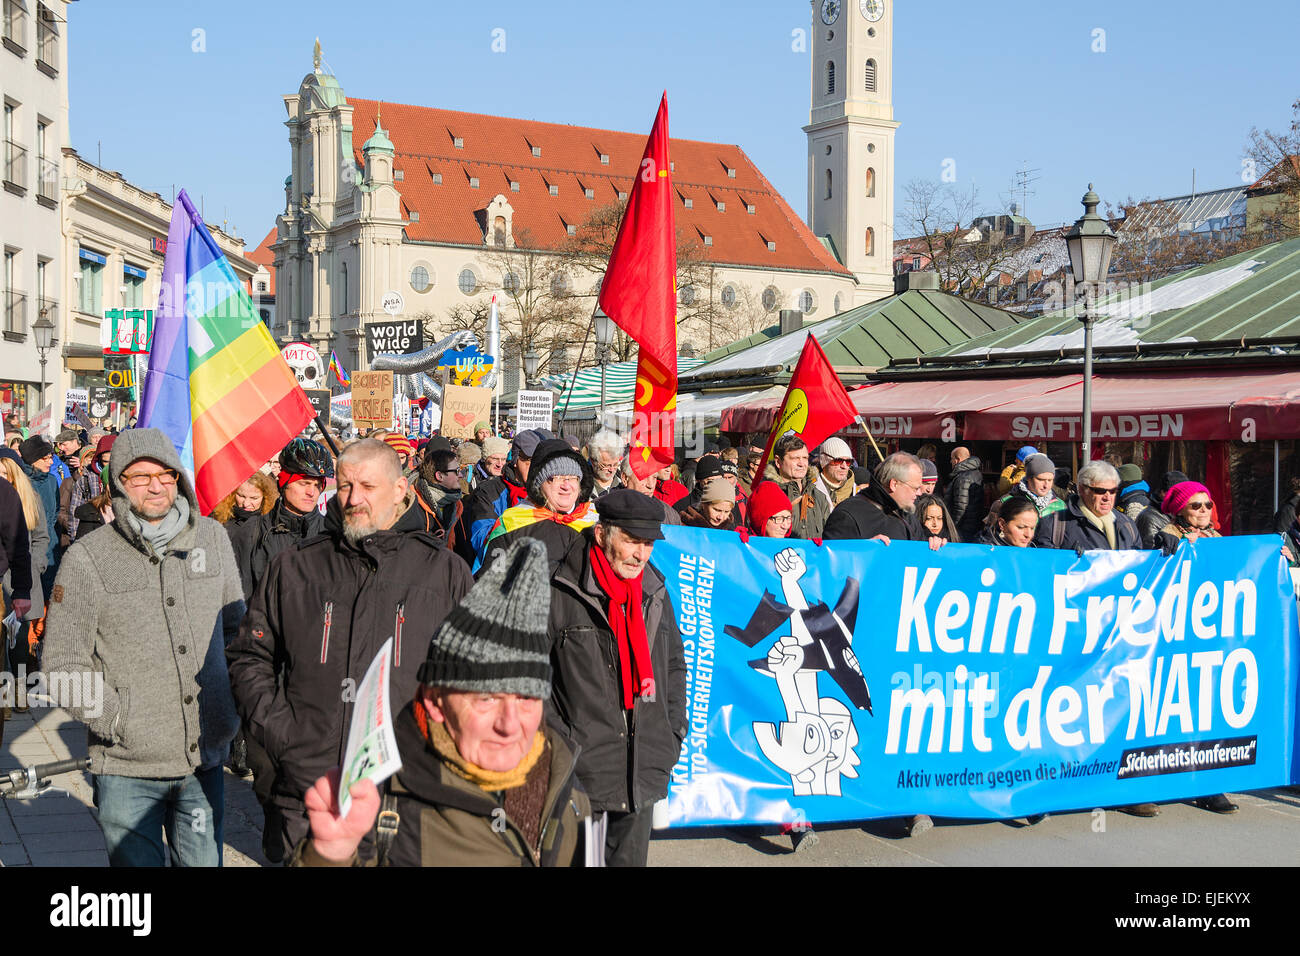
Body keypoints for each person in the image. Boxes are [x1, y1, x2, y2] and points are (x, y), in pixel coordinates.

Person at [228, 438, 473, 864]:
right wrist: (285, 737)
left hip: (409, 792)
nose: (353, 499)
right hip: (312, 787)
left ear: (401, 491)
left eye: (368, 487)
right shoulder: (297, 566)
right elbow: (250, 656)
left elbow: (473, 673)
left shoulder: (444, 571)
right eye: (343, 487)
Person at [294, 537, 595, 867]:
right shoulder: (377, 797)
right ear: (435, 701)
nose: (509, 724)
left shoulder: (567, 785)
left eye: (525, 698)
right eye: (486, 698)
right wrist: (330, 856)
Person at [42, 428, 242, 866]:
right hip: (126, 765)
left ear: (180, 479)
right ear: (118, 485)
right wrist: (116, 717)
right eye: (140, 476)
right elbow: (61, 663)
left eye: (166, 475)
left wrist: (229, 708)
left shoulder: (211, 539)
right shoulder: (89, 558)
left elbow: (236, 635)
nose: (156, 486)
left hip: (202, 760)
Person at [545, 489, 686, 865]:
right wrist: (564, 745)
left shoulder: (654, 591)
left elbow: (673, 666)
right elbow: (534, 681)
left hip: (643, 767)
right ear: (602, 534)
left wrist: (671, 734)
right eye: (631, 542)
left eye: (648, 544)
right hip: (581, 774)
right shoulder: (559, 589)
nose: (641, 554)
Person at [230, 438, 332, 601]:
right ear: (284, 483)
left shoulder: (332, 534)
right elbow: (238, 601)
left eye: (318, 485)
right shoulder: (252, 532)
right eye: (304, 483)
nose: (311, 492)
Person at [481, 438, 598, 571]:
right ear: (539, 485)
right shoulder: (512, 524)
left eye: (572, 478)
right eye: (555, 478)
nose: (566, 486)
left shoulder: (595, 522)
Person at [461, 428, 549, 569]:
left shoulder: (547, 492)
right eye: (528, 461)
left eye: (539, 462)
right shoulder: (488, 491)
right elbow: (481, 538)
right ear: (515, 460)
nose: (534, 467)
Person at [0, 453, 42, 693]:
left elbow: (33, 540)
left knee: (18, 638)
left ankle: (18, 689)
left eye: (6, 473)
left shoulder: (21, 497)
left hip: (19, 576)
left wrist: (34, 569)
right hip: (9, 576)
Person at [1033, 460, 1141, 552]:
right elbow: (1043, 567)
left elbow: (1139, 567)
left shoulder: (1127, 525)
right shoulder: (1054, 525)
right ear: (1082, 489)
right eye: (1100, 491)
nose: (1107, 497)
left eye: (1112, 491)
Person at [824, 452, 928, 544]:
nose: (919, 493)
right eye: (915, 488)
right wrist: (865, 550)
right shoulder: (847, 514)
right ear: (894, 484)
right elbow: (832, 558)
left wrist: (935, 545)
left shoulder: (906, 514)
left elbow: (923, 553)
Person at [765, 435, 830, 539]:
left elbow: (828, 537)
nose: (802, 464)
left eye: (805, 458)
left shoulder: (819, 496)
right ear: (778, 462)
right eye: (795, 458)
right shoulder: (767, 495)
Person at [399, 448, 466, 550]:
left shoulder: (457, 505)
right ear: (439, 476)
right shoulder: (410, 505)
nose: (461, 475)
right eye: (456, 471)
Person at [58, 434, 114, 551]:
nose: (109, 465)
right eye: (105, 461)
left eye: (113, 460)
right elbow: (75, 514)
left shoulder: (128, 478)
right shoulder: (86, 479)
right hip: (91, 538)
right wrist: (76, 545)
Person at [985, 453, 1063, 529]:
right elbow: (989, 537)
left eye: (1050, 480)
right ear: (1028, 478)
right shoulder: (1004, 503)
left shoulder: (1060, 505)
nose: (1046, 485)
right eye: (1040, 479)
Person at [211, 472, 278, 536]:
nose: (246, 504)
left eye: (254, 498)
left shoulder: (272, 524)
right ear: (232, 494)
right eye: (241, 496)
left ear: (265, 498)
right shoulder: (219, 519)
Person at [1136, 470, 1189, 549]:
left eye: (1186, 494)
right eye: (1178, 494)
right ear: (1163, 493)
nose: (1182, 498)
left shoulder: (1183, 513)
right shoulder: (1149, 518)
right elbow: (1152, 553)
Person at [620, 459, 681, 526]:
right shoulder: (609, 511)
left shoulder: (670, 516)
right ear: (625, 478)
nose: (651, 485)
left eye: (654, 477)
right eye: (644, 477)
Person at [944, 446, 985, 543]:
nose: (950, 462)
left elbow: (960, 508)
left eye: (952, 459)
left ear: (957, 460)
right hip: (973, 525)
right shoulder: (976, 473)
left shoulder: (963, 477)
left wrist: (952, 528)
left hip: (963, 529)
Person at [812, 437, 856, 510]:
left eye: (848, 462)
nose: (844, 466)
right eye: (838, 461)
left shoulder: (858, 493)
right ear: (824, 462)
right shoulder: (809, 490)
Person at [587, 429, 624, 499]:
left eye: (615, 464)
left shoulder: (625, 484)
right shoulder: (582, 488)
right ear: (593, 461)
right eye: (606, 465)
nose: (611, 470)